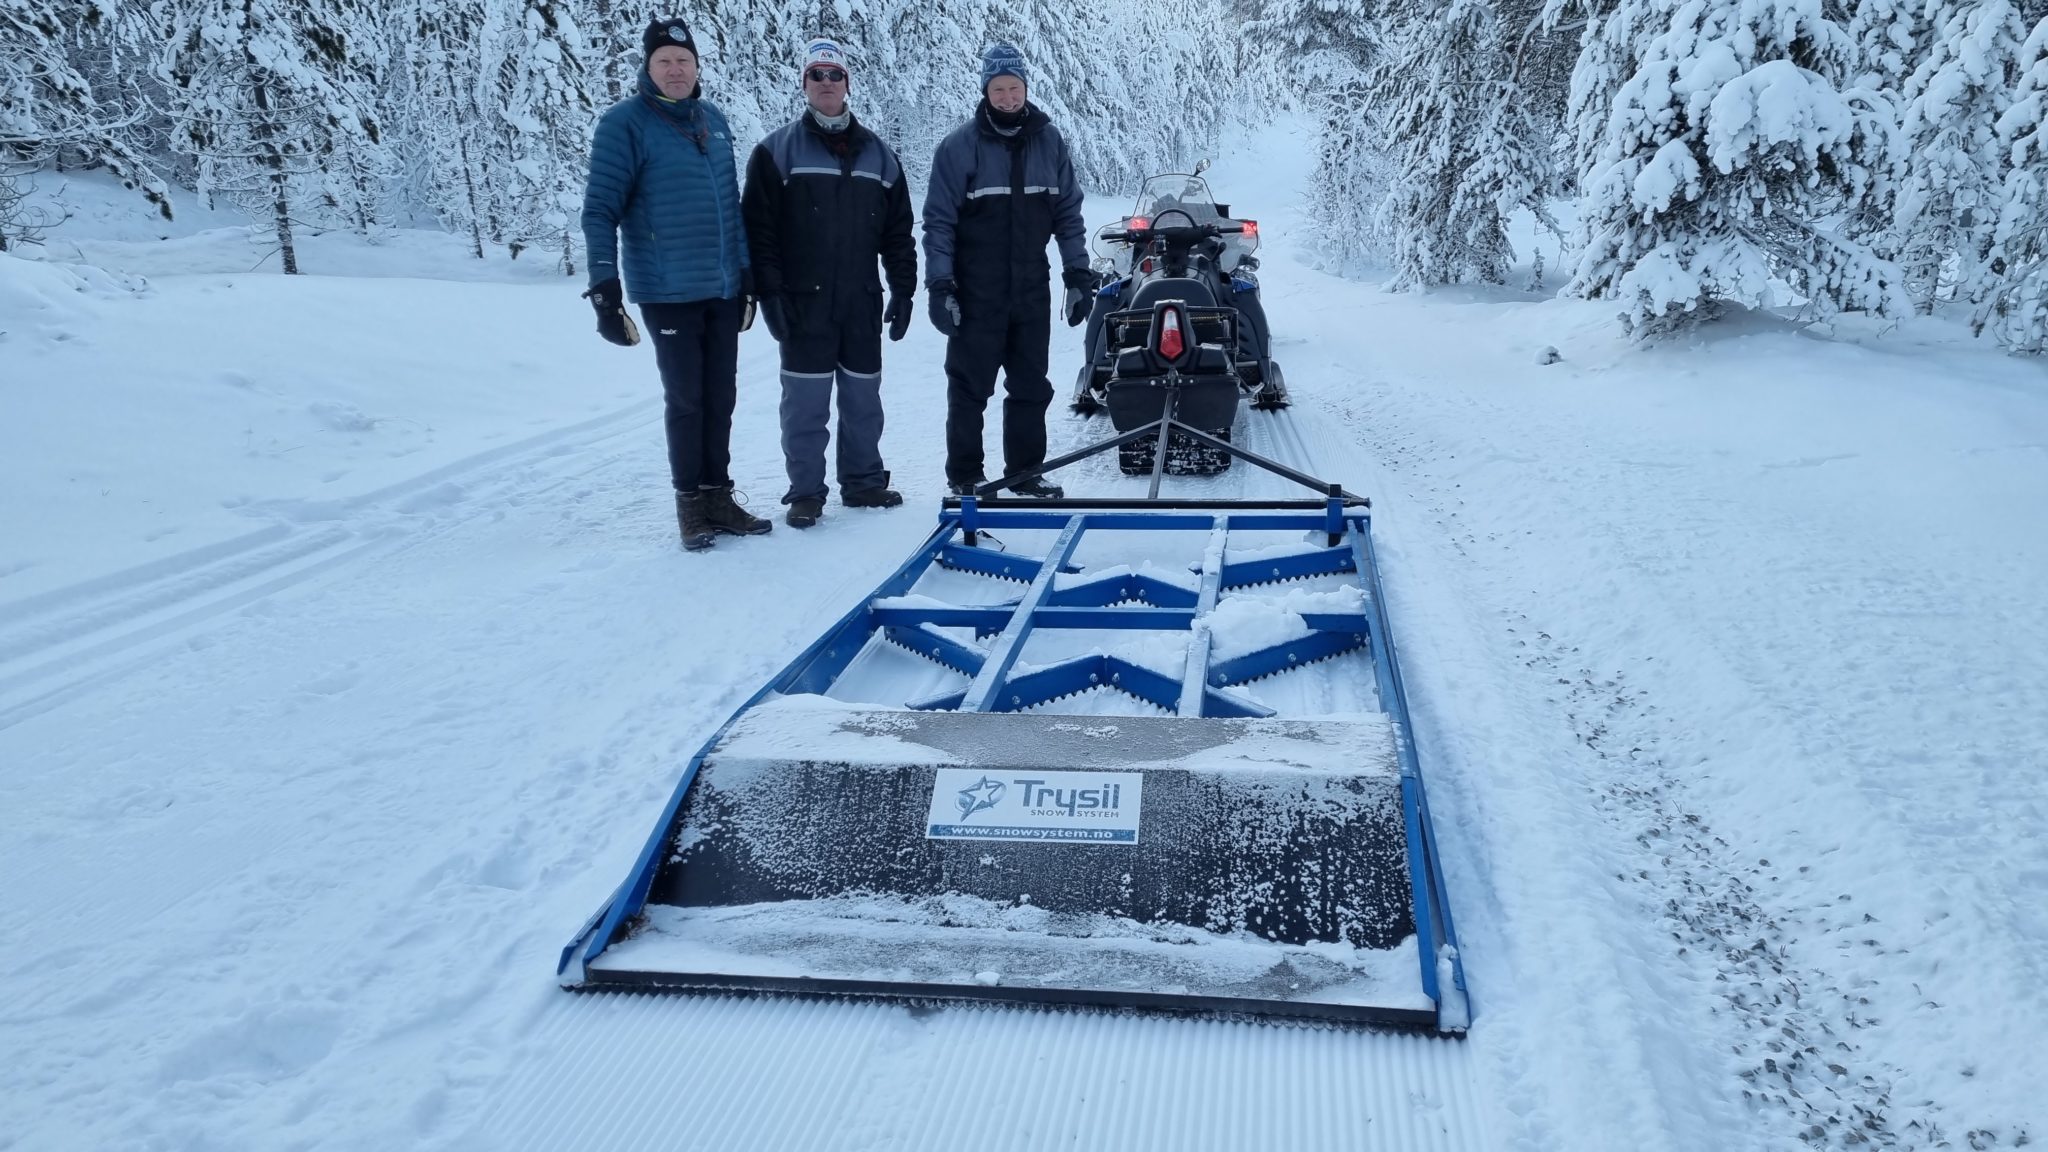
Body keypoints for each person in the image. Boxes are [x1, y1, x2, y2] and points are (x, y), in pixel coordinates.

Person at [580, 17, 771, 551]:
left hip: (722, 286)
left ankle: (718, 496)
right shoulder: (625, 124)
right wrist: (603, 287)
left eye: (683, 61)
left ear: (697, 67)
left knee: (722, 396)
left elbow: (730, 209)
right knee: (687, 399)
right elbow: (599, 211)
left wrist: (746, 272)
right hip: (666, 290)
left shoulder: (713, 120)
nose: (675, 69)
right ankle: (690, 505)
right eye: (664, 60)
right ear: (648, 66)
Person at [742, 38, 918, 529]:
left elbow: (899, 232)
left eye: (834, 74)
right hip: (803, 305)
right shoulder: (776, 152)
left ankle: (863, 482)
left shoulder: (879, 156)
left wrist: (903, 289)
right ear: (804, 84)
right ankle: (805, 492)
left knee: (863, 400)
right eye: (816, 75)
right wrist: (770, 293)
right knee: (805, 407)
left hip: (860, 303)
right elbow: (759, 232)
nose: (826, 83)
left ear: (847, 84)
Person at [922, 43, 1092, 498]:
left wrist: (1077, 274)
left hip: (1031, 288)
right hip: (977, 290)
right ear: (985, 90)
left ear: (1025, 87)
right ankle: (966, 477)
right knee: (969, 388)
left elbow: (1068, 214)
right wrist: (940, 285)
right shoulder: (959, 147)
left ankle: (1024, 473)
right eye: (999, 88)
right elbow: (938, 222)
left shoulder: (1049, 141)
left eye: (1014, 87)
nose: (1008, 97)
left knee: (1030, 385)